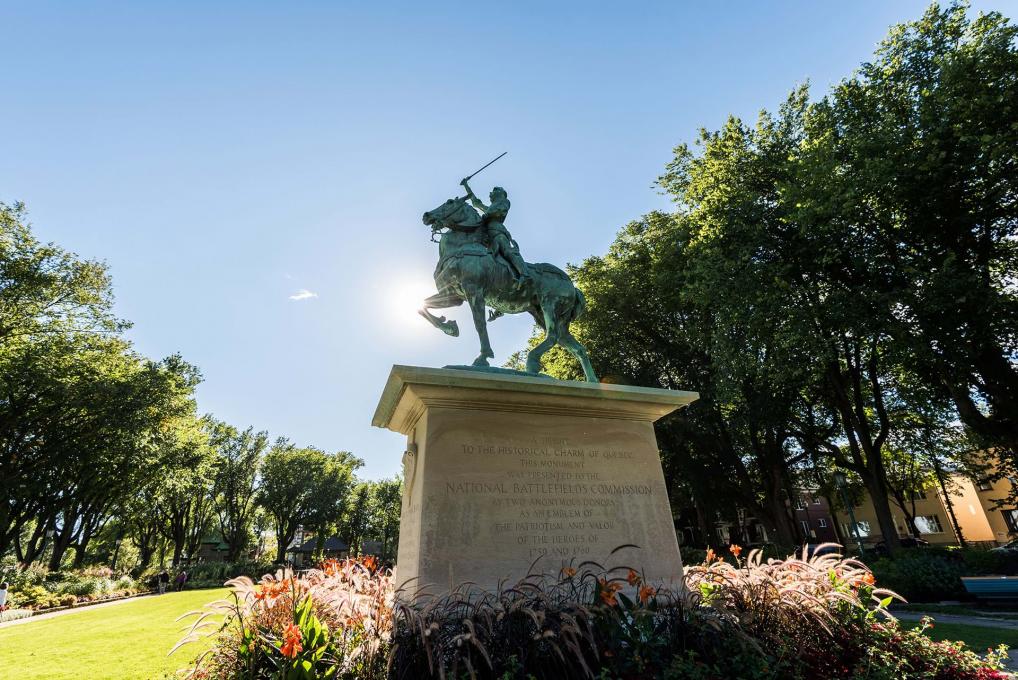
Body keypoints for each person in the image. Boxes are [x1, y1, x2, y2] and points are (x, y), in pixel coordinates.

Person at [460, 179, 531, 287]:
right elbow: (476, 203)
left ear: (500, 192)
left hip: (498, 232)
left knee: (507, 251)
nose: (490, 194)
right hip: (487, 236)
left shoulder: (504, 201)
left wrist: (486, 215)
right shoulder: (490, 208)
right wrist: (466, 186)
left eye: (493, 191)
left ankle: (524, 274)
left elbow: (499, 210)